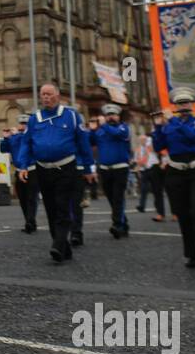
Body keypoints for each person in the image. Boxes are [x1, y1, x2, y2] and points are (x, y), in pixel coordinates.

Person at [14, 83, 94, 265]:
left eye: (49, 94)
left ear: (58, 95)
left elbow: (84, 144)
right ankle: (63, 246)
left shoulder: (71, 116)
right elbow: (26, 143)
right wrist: (23, 165)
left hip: (66, 168)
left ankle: (57, 245)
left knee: (62, 206)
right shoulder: (35, 119)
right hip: (43, 169)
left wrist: (88, 168)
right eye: (43, 94)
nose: (46, 97)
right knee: (50, 208)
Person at [156, 87, 195, 269]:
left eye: (186, 103)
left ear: (192, 105)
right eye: (180, 103)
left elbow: (193, 136)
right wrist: (158, 127)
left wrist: (172, 120)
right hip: (175, 171)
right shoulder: (169, 125)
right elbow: (159, 145)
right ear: (175, 105)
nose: (184, 106)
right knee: (183, 214)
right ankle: (191, 254)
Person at [91, 103, 131, 238]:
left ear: (118, 116)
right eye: (108, 115)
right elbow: (90, 142)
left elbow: (117, 134)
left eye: (113, 115)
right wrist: (91, 130)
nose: (111, 117)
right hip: (104, 169)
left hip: (120, 168)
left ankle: (117, 225)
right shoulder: (101, 130)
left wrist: (104, 126)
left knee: (118, 197)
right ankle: (123, 223)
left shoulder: (123, 128)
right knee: (111, 198)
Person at [2, 118, 39, 233]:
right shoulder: (15, 137)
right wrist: (6, 138)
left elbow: (28, 143)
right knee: (22, 198)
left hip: (32, 170)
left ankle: (30, 221)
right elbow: (3, 149)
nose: (22, 125)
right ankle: (29, 221)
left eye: (25, 123)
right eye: (21, 123)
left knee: (31, 198)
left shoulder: (32, 135)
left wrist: (17, 135)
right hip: (19, 170)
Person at [135, 120, 167, 221]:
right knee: (154, 191)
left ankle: (175, 212)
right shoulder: (141, 146)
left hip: (156, 167)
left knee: (162, 191)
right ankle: (160, 213)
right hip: (146, 168)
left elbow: (160, 151)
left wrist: (149, 144)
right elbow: (138, 157)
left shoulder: (152, 139)